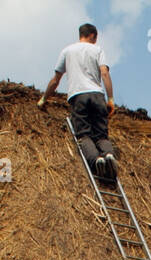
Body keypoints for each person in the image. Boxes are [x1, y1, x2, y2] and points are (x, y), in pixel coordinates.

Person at [39, 23, 117, 179]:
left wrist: (43, 99)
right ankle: (108, 154)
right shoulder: (98, 50)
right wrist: (110, 99)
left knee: (84, 135)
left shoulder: (67, 51)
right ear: (92, 36)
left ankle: (96, 160)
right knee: (102, 135)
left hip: (78, 96)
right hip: (97, 95)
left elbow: (55, 80)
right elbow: (105, 74)